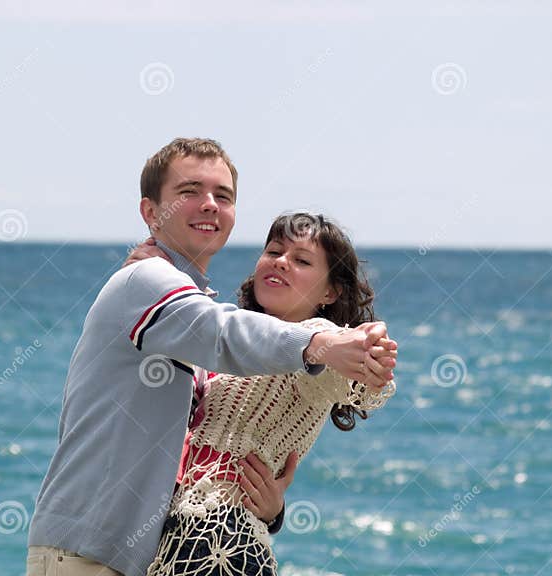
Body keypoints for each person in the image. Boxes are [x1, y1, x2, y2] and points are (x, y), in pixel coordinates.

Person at [26, 139, 397, 576]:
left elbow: (354, 386)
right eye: (190, 191)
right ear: (150, 212)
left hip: (178, 553)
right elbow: (222, 333)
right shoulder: (150, 282)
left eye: (223, 196)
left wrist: (363, 358)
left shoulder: (274, 331)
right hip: (90, 553)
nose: (209, 205)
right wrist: (321, 348)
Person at [139, 213, 396, 575]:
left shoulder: (314, 338)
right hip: (189, 536)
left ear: (330, 292)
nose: (281, 261)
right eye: (274, 251)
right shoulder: (233, 345)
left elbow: (345, 376)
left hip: (219, 539)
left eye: (302, 260)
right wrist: (151, 274)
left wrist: (369, 357)